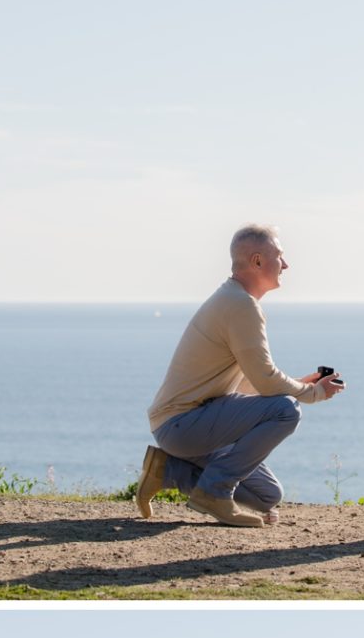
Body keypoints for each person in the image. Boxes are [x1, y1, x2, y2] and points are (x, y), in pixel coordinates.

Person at [134, 226, 345, 528]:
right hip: (183, 424)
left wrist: (302, 383)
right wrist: (312, 393)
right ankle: (214, 492)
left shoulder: (236, 300)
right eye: (280, 257)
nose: (286, 265)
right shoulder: (240, 305)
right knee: (287, 411)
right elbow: (266, 381)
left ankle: (167, 470)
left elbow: (250, 382)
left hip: (191, 425)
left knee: (266, 496)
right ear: (257, 261)